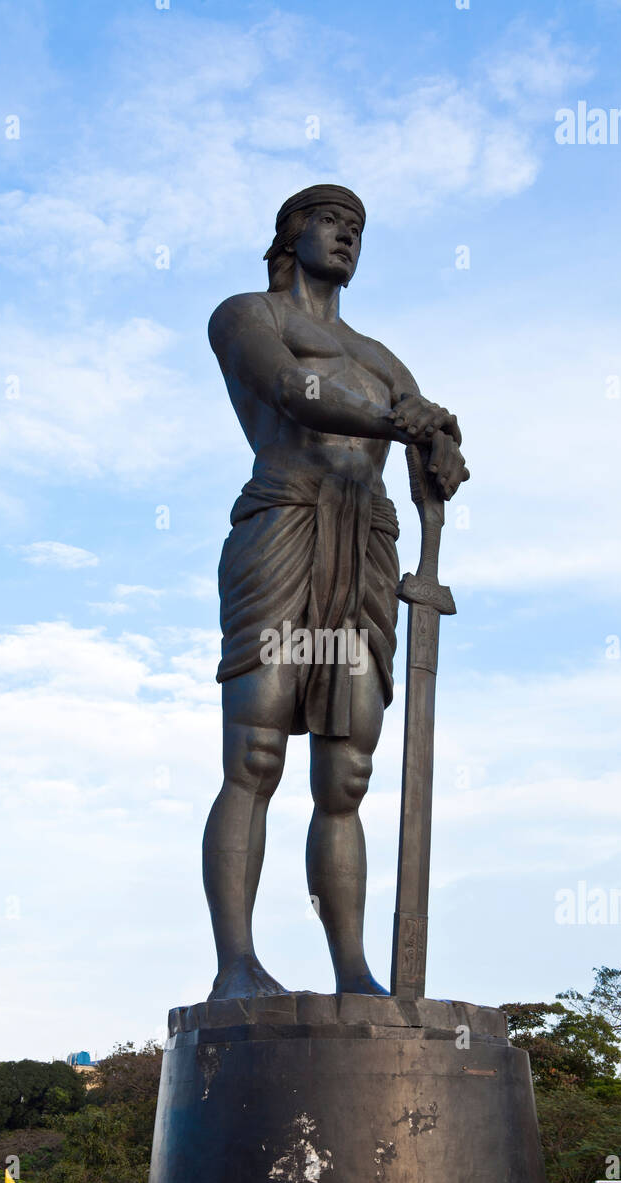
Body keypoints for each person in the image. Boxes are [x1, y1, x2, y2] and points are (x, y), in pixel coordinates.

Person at [204, 184, 467, 999]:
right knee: (257, 749)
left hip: (366, 546)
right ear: (290, 233)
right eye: (331, 222)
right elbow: (291, 392)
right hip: (287, 524)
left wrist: (442, 454)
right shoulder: (249, 314)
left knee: (346, 772)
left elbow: (431, 452)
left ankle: (354, 973)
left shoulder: (383, 357)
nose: (347, 237)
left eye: (358, 229)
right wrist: (402, 425)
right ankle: (237, 967)